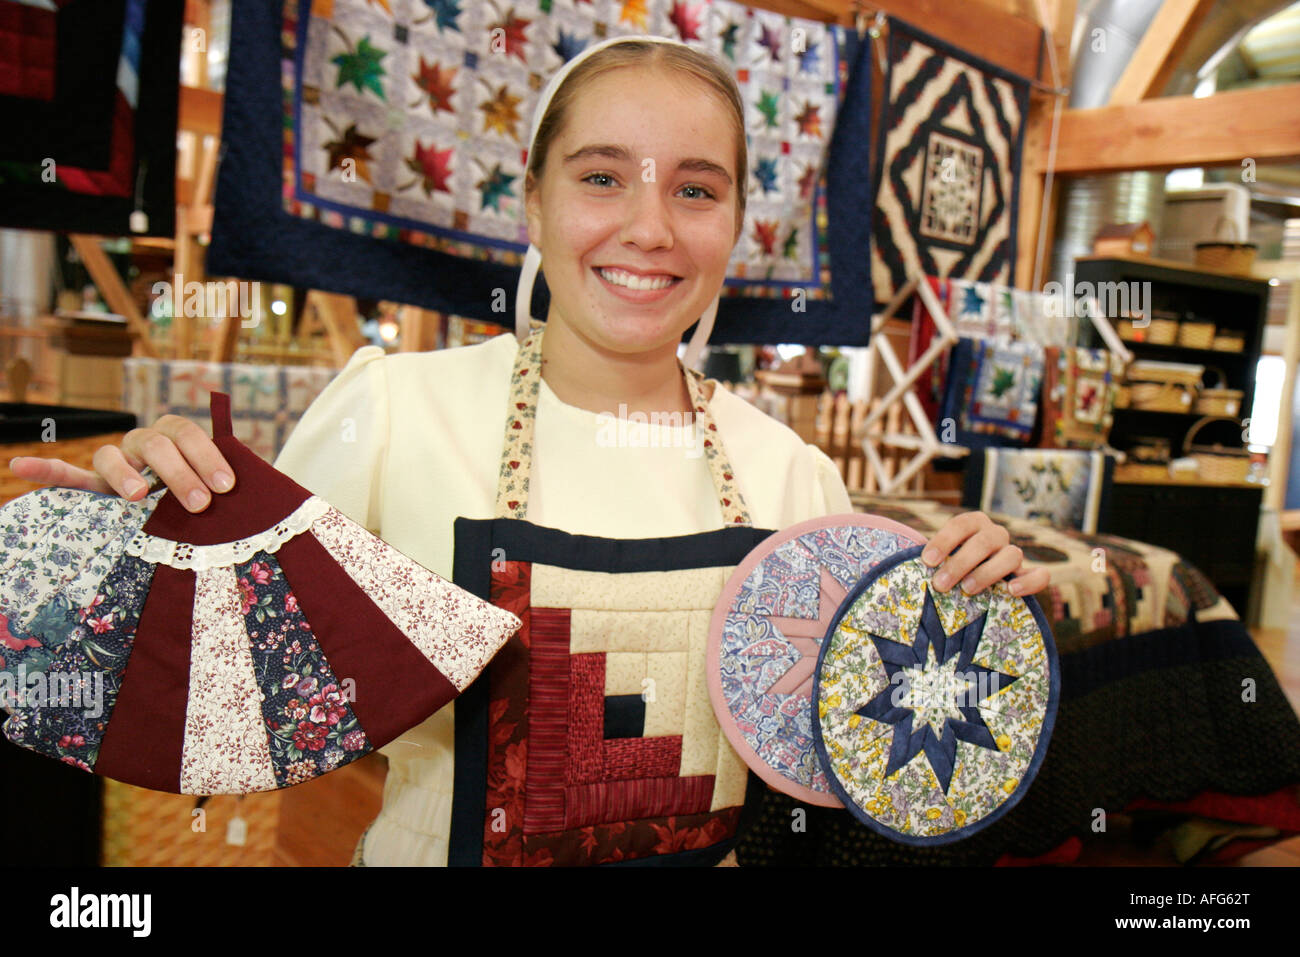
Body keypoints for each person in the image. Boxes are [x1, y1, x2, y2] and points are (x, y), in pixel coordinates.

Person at [9, 35, 1048, 865]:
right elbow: (214, 699)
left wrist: (975, 627)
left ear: (737, 221)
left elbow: (870, 767)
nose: (649, 228)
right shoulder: (395, 409)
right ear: (533, 200)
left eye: (695, 189)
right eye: (602, 178)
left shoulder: (793, 473)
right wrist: (139, 523)